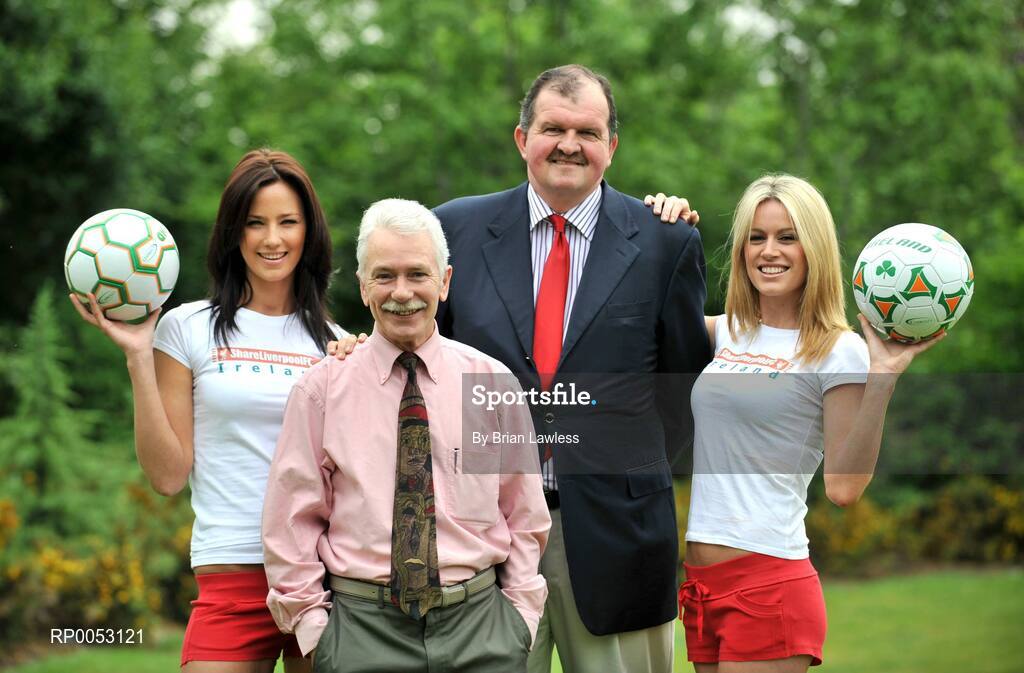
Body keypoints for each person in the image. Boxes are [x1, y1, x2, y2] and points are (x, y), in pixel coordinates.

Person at [432, 64, 711, 673]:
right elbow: (422, 366)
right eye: (552, 128)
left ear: (612, 146)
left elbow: (682, 393)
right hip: (485, 540)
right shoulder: (451, 230)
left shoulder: (666, 243)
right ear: (521, 138)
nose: (568, 144)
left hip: (620, 534)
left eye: (588, 132)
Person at [70, 149, 345, 672]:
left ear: (308, 233)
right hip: (230, 572)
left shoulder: (335, 345)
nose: (272, 240)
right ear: (232, 233)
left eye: (288, 222)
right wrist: (137, 357)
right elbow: (168, 476)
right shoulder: (185, 327)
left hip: (321, 576)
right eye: (254, 223)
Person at [664, 174, 942, 672]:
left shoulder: (839, 351)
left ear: (813, 247)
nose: (769, 251)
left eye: (787, 237)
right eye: (757, 237)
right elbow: (641, 319)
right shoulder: (725, 333)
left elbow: (844, 489)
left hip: (769, 585)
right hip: (702, 588)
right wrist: (661, 227)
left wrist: (883, 379)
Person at [262, 198, 551, 673]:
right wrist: (317, 634)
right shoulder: (322, 390)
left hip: (482, 630)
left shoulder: (492, 383)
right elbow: (291, 520)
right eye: (384, 275)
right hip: (361, 631)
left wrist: (519, 618)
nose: (402, 292)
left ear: (445, 282)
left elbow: (523, 513)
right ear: (362, 286)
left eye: (417, 274)